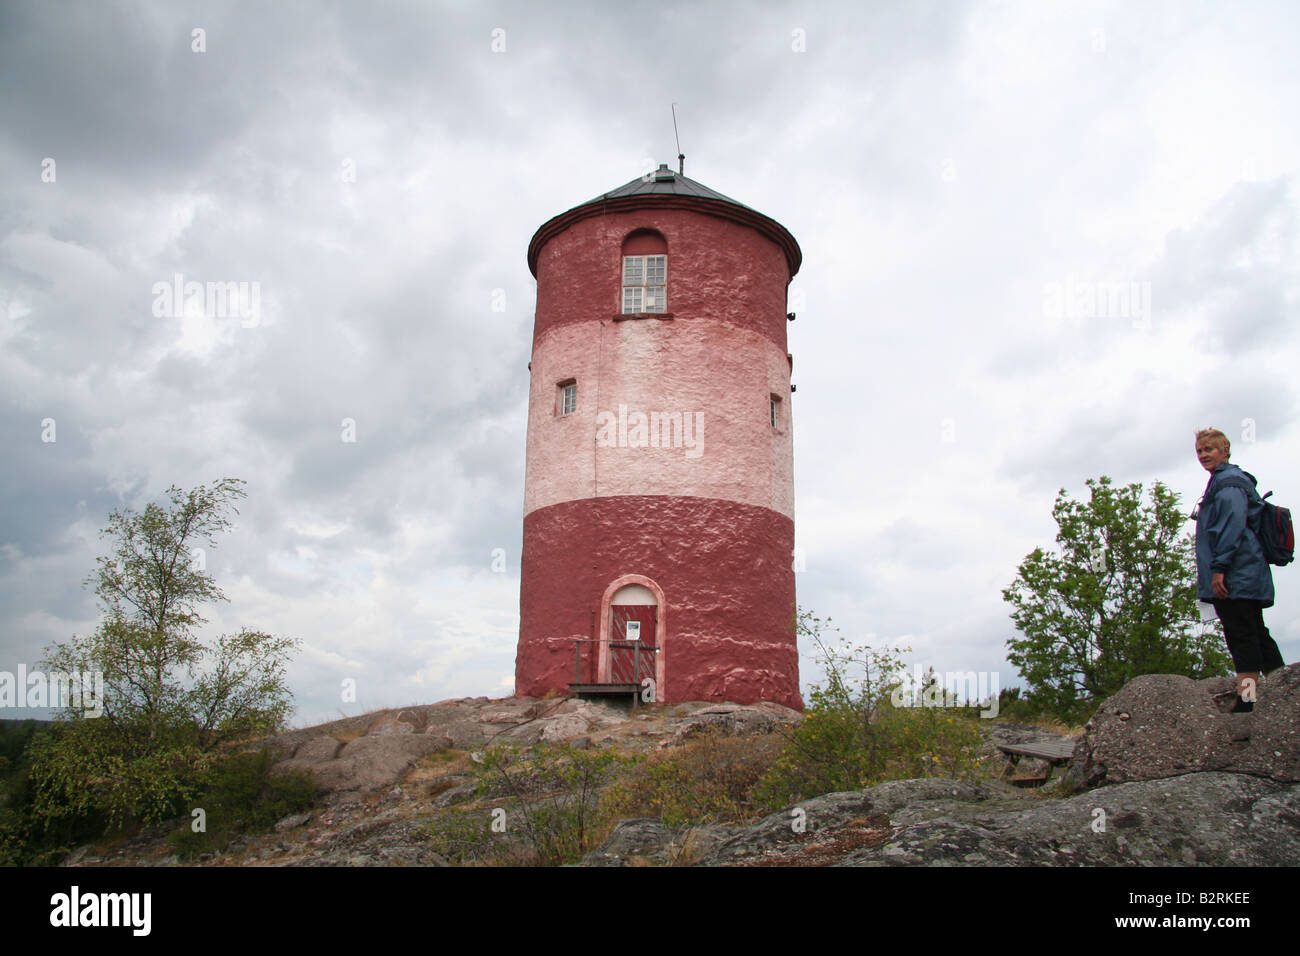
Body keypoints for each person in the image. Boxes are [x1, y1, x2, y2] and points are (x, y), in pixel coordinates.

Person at [1194, 427, 1285, 713]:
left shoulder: (1228, 483)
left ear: (1225, 450)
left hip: (1236, 574)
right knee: (1256, 633)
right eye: (1200, 451)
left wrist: (1219, 569)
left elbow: (1231, 525)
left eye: (1209, 449)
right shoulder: (1227, 481)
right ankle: (1285, 692)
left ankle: (1248, 700)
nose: (1203, 455)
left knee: (1241, 636)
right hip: (1247, 572)